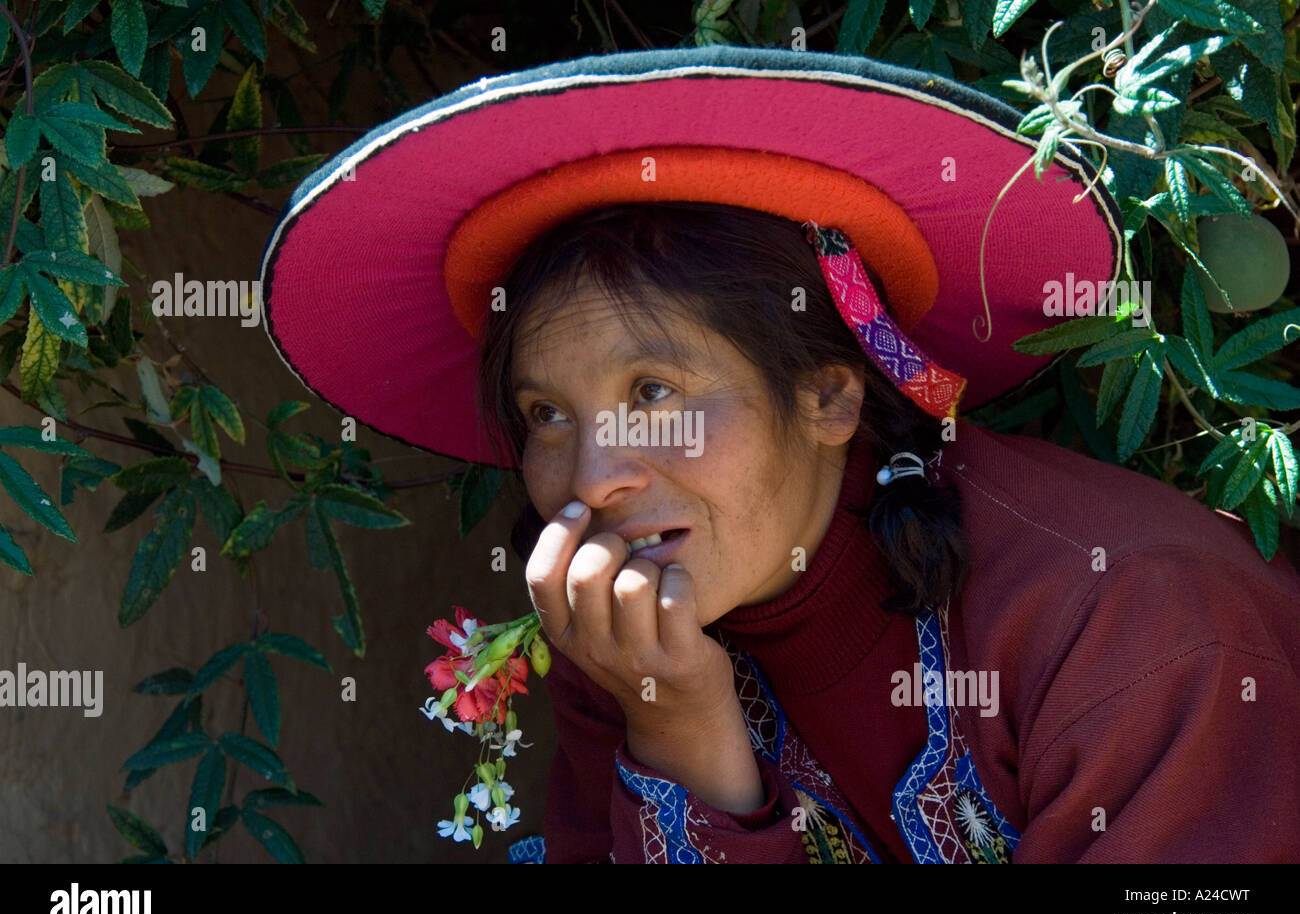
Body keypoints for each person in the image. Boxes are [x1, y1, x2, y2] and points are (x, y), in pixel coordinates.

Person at [259, 46, 1300, 863]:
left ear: (829, 393)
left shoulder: (1131, 619)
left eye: (652, 391)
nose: (589, 479)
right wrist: (677, 731)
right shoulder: (630, 637)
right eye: (544, 413)